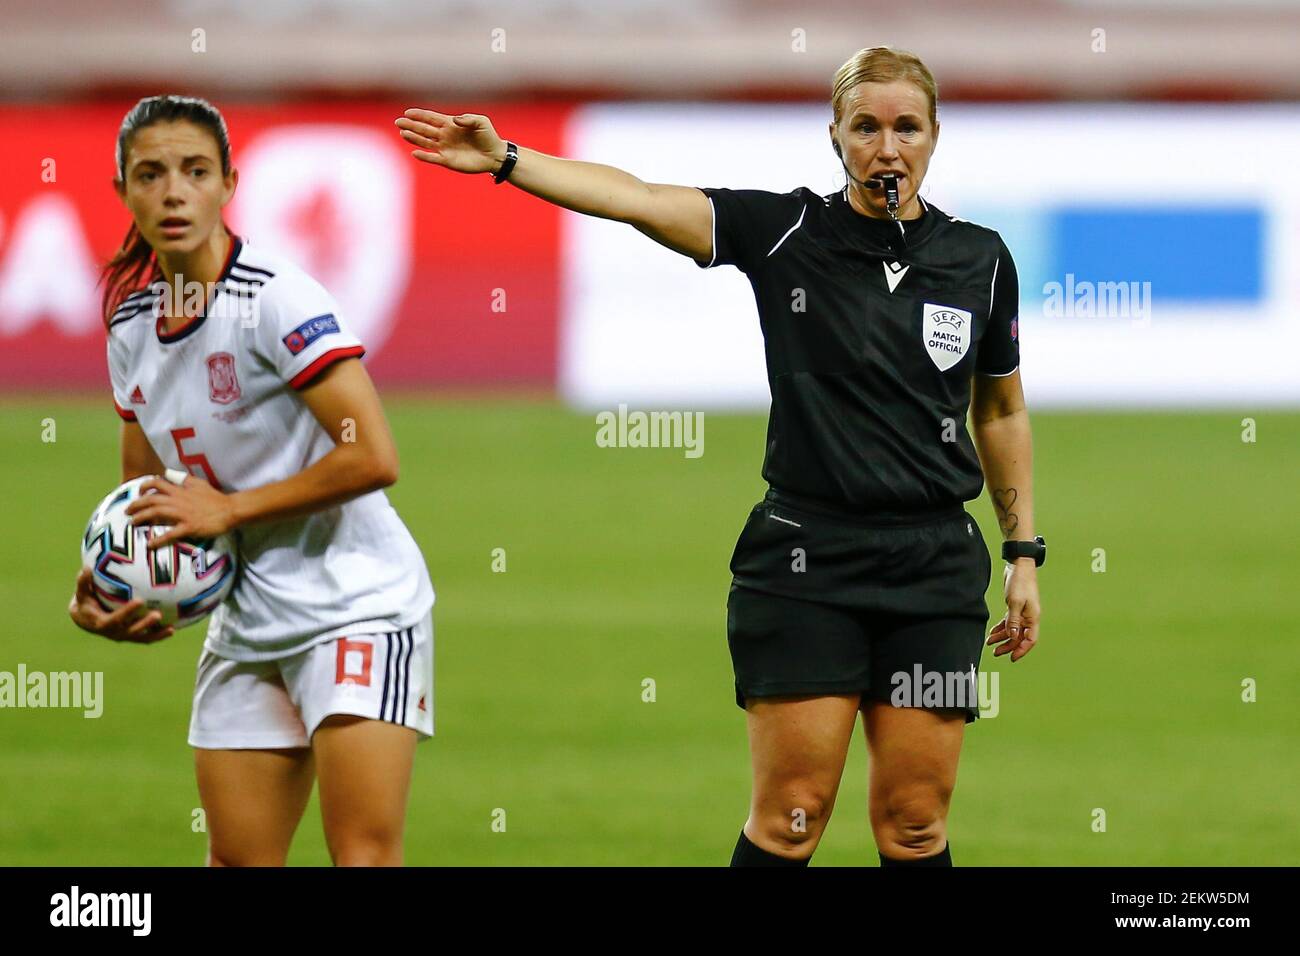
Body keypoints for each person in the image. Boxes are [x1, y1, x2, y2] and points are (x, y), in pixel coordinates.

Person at [396, 44, 1043, 867]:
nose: (888, 147)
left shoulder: (979, 259)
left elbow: (1001, 410)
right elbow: (635, 198)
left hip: (936, 570)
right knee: (792, 817)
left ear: (936, 134)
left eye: (907, 127)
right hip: (807, 562)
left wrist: (1022, 552)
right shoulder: (785, 234)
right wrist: (509, 161)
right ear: (835, 136)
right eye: (866, 127)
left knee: (915, 823)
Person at [68, 94, 435, 867]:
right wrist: (117, 583)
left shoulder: (274, 298)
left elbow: (371, 454)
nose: (173, 192)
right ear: (122, 191)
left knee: (362, 857)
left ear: (229, 183)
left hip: (356, 604)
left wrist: (229, 509)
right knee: (238, 861)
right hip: (248, 619)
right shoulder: (131, 328)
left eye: (195, 171)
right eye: (151, 174)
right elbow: (146, 493)